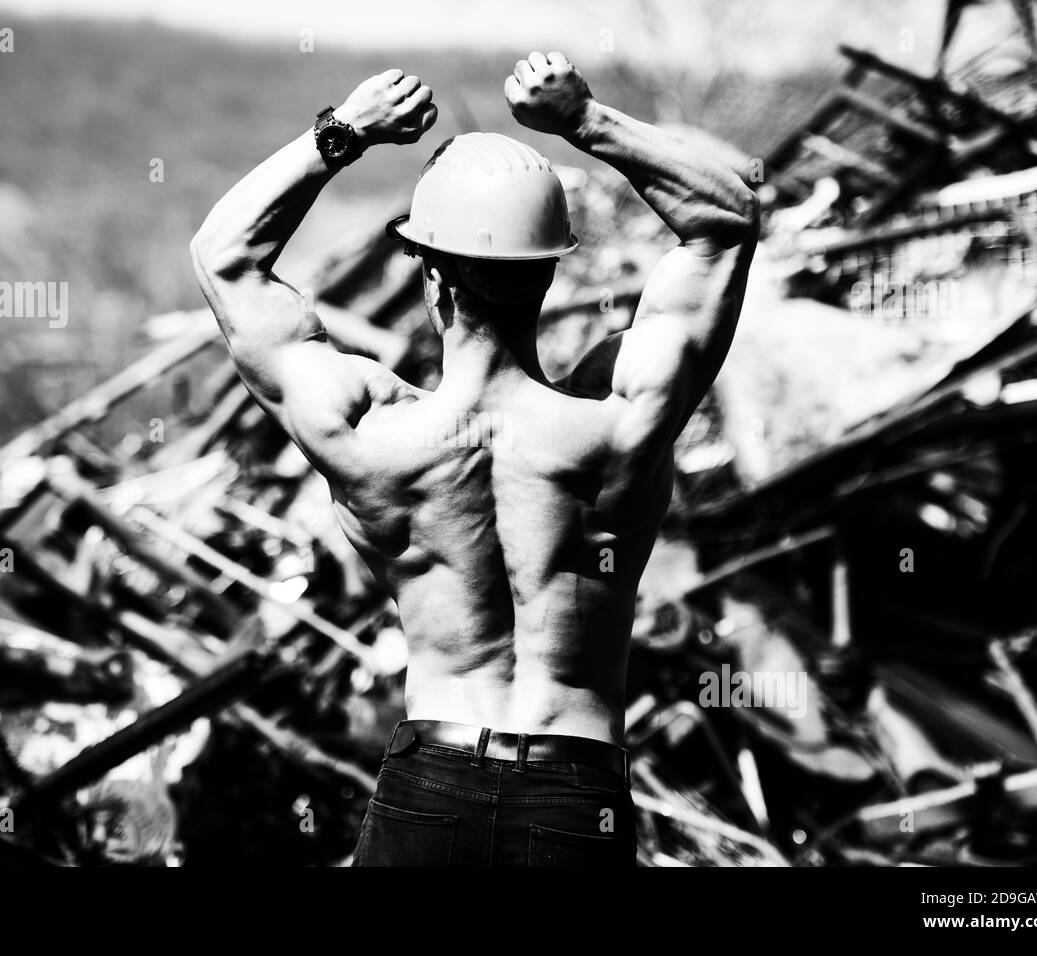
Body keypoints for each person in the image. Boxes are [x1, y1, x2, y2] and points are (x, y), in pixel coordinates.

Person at [190, 51, 758, 866]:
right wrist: (583, 119)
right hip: (571, 797)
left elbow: (225, 257)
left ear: (430, 277)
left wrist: (344, 131)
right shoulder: (617, 420)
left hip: (432, 788)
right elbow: (728, 218)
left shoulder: (367, 434)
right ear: (547, 273)